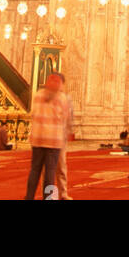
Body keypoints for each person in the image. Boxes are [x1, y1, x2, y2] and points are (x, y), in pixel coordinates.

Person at [24, 74, 65, 200]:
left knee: (35, 171)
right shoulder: (61, 98)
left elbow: (33, 113)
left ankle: (29, 197)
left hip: (38, 138)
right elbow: (64, 118)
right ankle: (48, 198)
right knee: (50, 173)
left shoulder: (38, 95)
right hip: (53, 140)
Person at [55, 71, 74, 200]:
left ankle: (63, 193)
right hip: (48, 138)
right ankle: (49, 195)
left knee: (61, 166)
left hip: (60, 137)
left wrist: (68, 131)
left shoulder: (66, 98)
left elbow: (69, 117)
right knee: (49, 169)